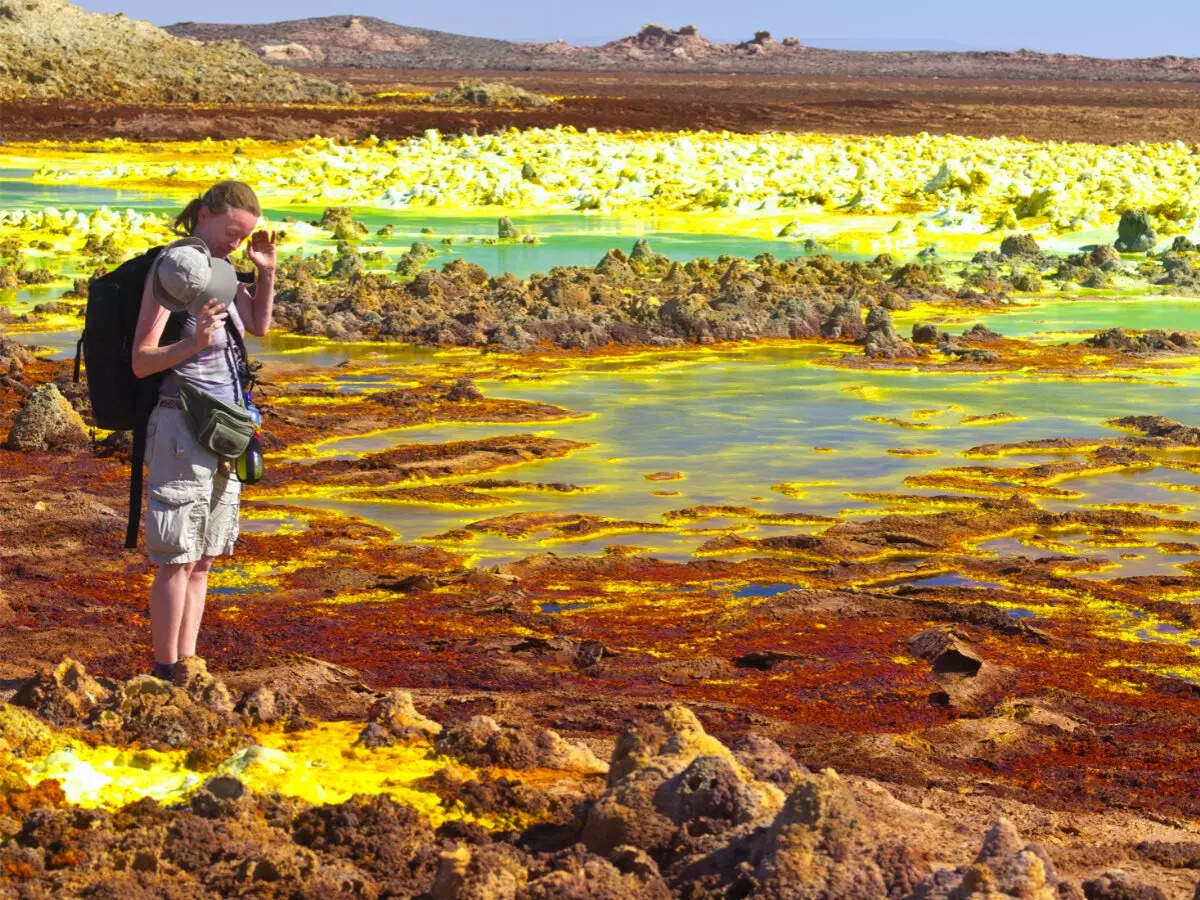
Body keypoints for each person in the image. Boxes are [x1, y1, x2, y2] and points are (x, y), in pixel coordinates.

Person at [130, 180, 276, 680]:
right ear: (205, 215)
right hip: (180, 425)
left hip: (225, 429)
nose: (236, 243)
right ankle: (165, 667)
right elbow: (142, 361)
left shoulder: (222, 270)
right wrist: (191, 347)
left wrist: (266, 274)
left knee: (205, 558)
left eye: (244, 236)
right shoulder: (176, 269)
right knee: (176, 554)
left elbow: (256, 326)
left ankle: (189, 665)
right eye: (231, 232)